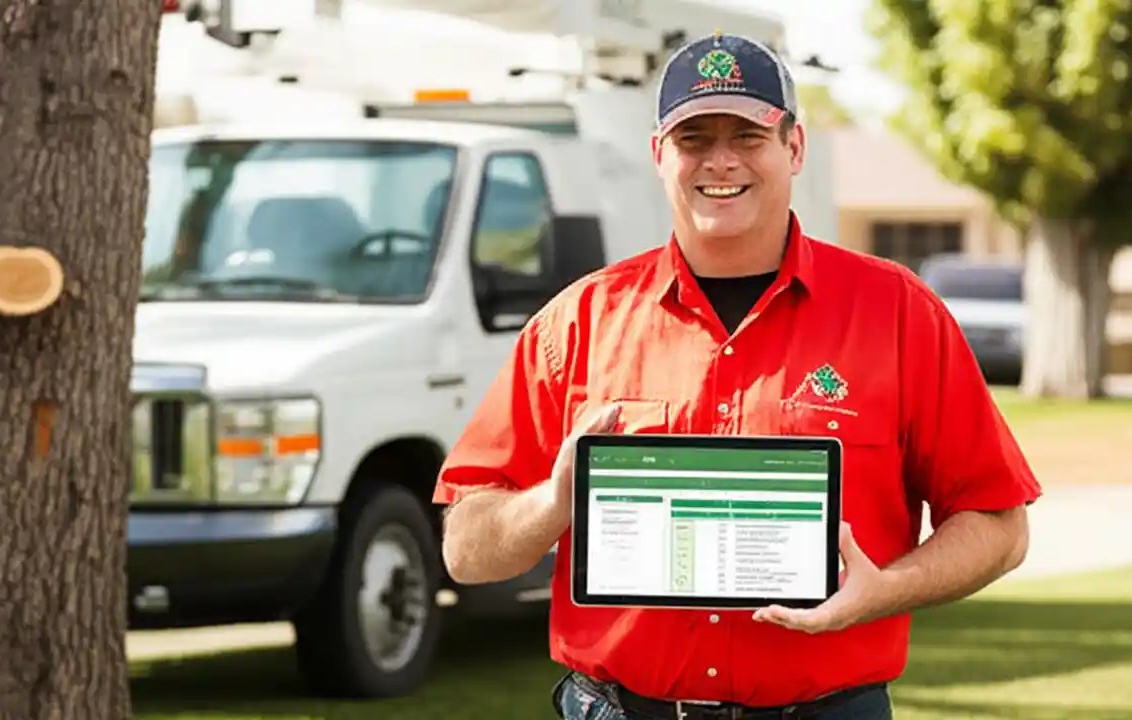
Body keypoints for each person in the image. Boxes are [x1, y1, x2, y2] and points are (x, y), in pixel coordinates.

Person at [433, 31, 1040, 720]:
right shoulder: (576, 324)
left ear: (795, 148)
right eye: (694, 139)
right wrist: (554, 502)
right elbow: (464, 550)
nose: (720, 162)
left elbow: (998, 524)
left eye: (748, 136)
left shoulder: (898, 313)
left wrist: (885, 589)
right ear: (659, 154)